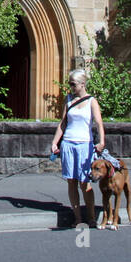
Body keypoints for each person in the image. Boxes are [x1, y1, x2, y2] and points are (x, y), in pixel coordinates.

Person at [50, 69, 105, 228]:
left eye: (73, 84)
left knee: (84, 183)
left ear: (82, 84)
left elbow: (99, 123)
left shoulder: (91, 101)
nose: (71, 87)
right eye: (70, 84)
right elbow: (63, 123)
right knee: (71, 182)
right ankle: (78, 218)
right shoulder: (68, 99)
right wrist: (55, 142)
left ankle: (92, 217)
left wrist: (102, 141)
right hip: (68, 143)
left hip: (84, 145)